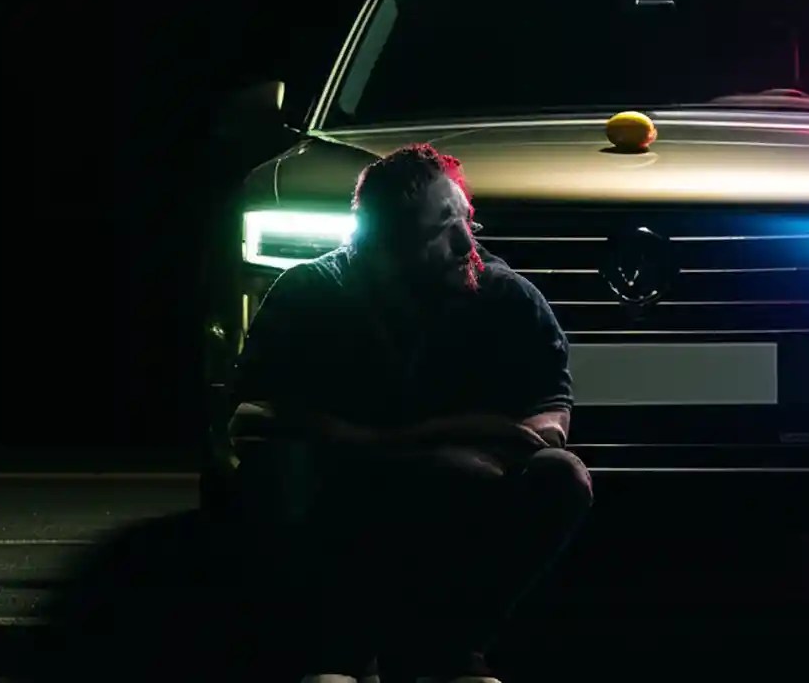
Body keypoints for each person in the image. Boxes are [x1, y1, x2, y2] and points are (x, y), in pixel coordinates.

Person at [226, 142, 593, 683]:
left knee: (564, 477)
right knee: (277, 468)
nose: (466, 242)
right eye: (439, 230)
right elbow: (248, 419)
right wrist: (445, 444)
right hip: (346, 503)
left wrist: (389, 441)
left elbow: (547, 422)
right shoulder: (311, 293)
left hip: (452, 502)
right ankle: (335, 648)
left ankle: (451, 648)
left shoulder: (507, 299)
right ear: (387, 248)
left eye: (465, 218)